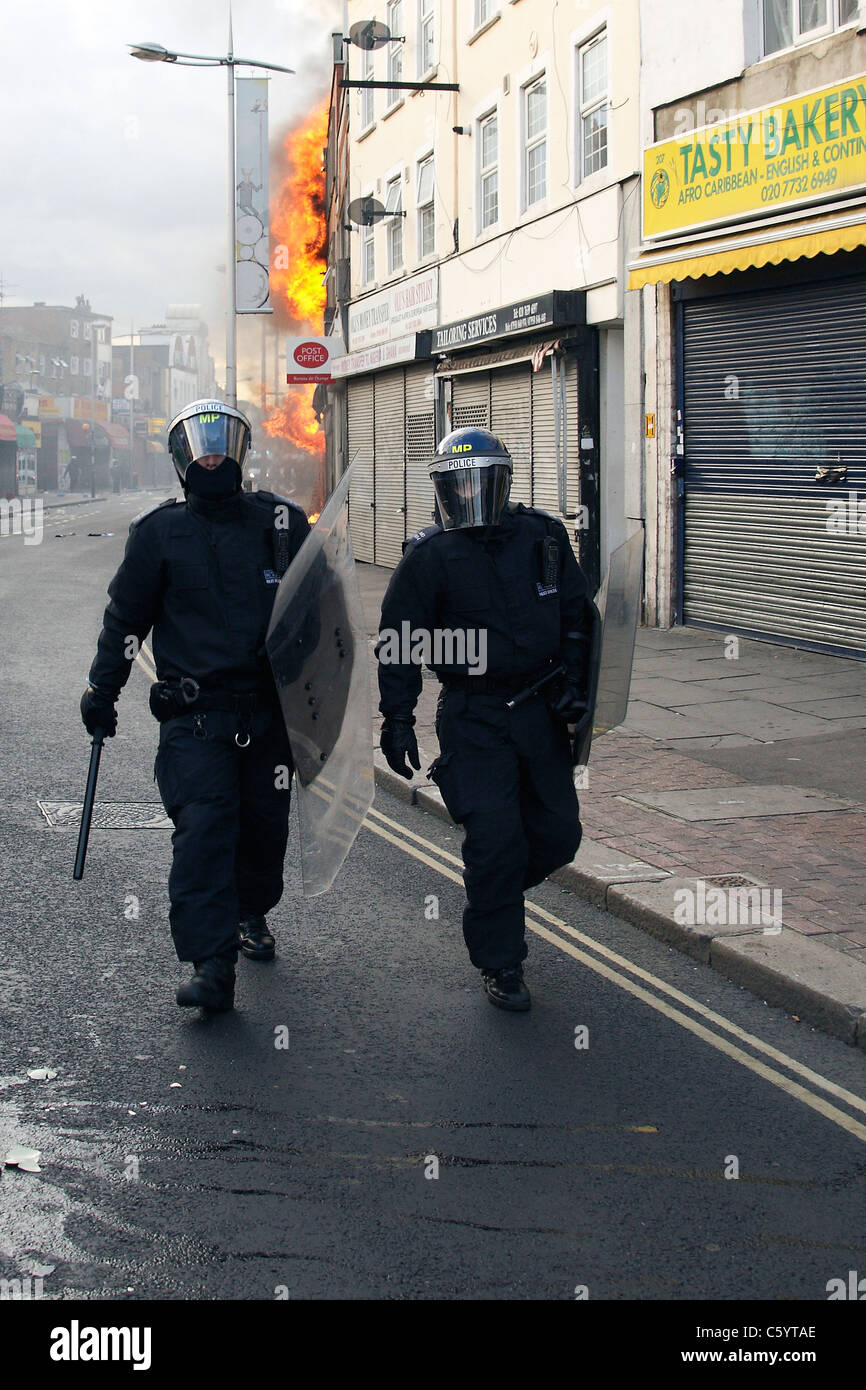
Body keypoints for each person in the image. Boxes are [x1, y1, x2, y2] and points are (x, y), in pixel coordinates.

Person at [80, 399, 310, 1012]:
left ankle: (250, 910)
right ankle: (212, 965)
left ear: (238, 451)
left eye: (221, 445)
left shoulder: (282, 524)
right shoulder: (158, 534)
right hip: (194, 717)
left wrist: (324, 709)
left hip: (268, 718)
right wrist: (102, 690)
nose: (212, 457)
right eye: (200, 448)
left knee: (263, 835)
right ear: (183, 459)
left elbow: (320, 615)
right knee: (204, 834)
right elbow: (126, 618)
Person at [377, 427, 599, 1012]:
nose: (470, 497)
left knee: (557, 834)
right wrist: (397, 718)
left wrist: (579, 688)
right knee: (496, 839)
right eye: (458, 487)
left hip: (540, 710)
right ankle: (502, 960)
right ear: (442, 490)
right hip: (473, 715)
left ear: (502, 483)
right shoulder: (429, 554)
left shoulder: (545, 538)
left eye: (481, 484)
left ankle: (491, 892)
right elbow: (398, 640)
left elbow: (579, 618)